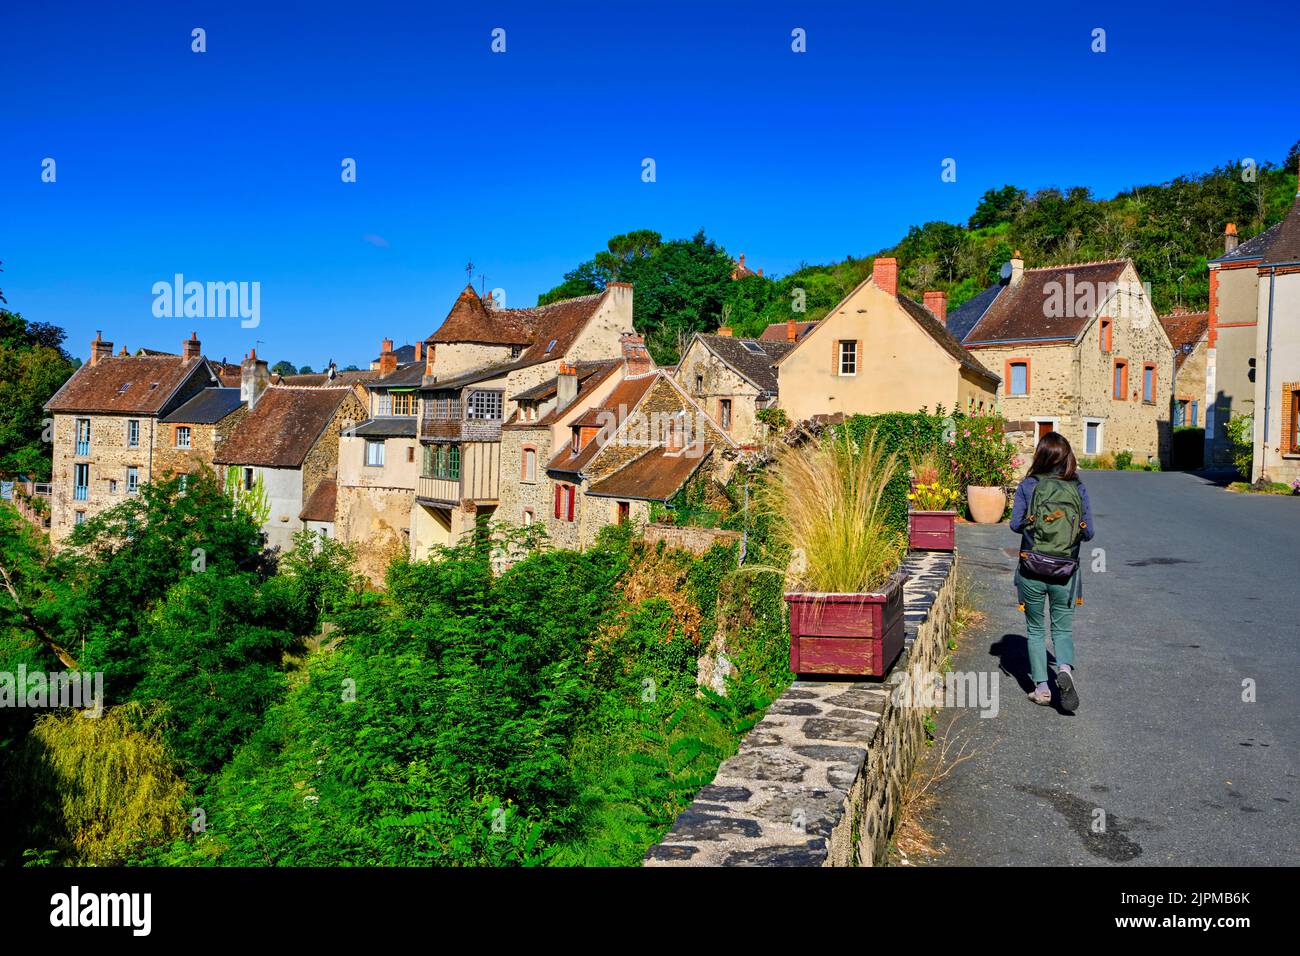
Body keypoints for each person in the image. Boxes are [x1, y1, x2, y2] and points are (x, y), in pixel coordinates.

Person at [1009, 432, 1094, 711]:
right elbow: (1089, 532)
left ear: (1041, 456)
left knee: (1035, 630)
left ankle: (1042, 690)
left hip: (1032, 567)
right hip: (1065, 571)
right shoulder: (1077, 487)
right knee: (1062, 628)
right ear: (1067, 457)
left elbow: (1015, 525)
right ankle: (1065, 670)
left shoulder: (1029, 485)